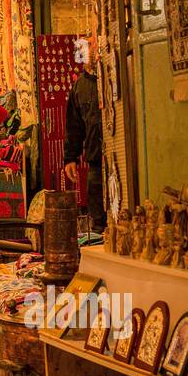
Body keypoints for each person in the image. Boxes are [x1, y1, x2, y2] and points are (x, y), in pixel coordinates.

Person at [63, 36, 105, 231]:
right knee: (98, 223)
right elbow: (74, 126)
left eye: (93, 46)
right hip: (95, 163)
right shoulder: (80, 87)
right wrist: (70, 158)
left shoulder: (110, 77)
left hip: (120, 157)